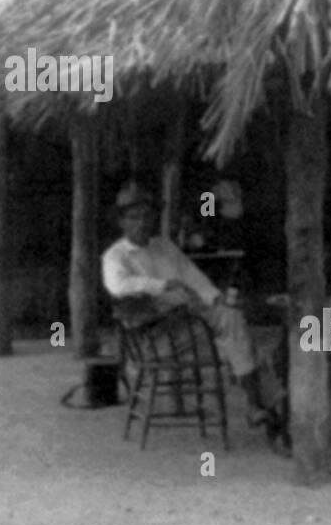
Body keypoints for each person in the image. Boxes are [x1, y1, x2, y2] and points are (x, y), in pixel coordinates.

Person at [102, 179, 285, 439]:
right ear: (122, 222)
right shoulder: (115, 256)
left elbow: (192, 276)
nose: (142, 223)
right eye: (133, 217)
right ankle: (268, 404)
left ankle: (261, 406)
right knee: (237, 340)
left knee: (232, 319)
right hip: (156, 336)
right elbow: (118, 287)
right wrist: (161, 284)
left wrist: (213, 298)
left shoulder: (163, 246)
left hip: (188, 323)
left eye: (146, 216)